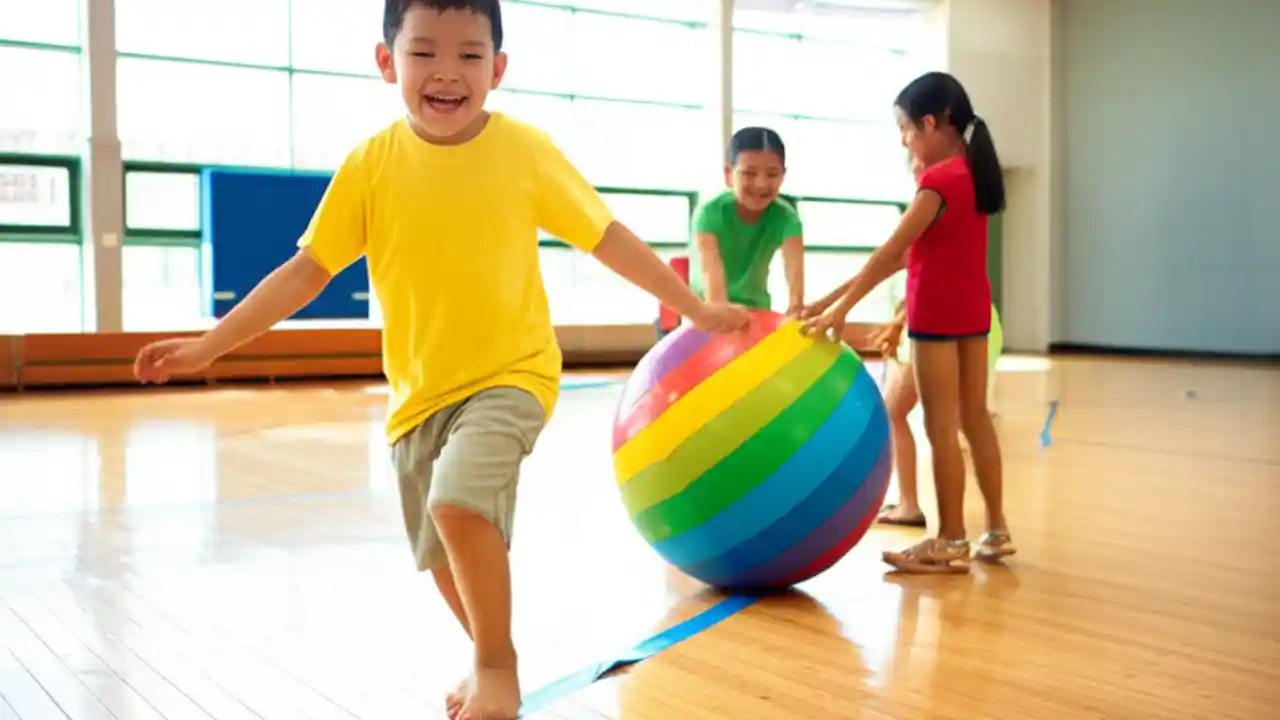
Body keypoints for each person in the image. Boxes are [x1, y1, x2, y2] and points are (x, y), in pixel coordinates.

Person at [132, 2, 749, 719]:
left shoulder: (525, 152)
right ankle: (494, 652)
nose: (447, 72)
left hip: (512, 375)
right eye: (424, 52)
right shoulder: (371, 164)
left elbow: (605, 236)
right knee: (439, 551)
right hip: (418, 397)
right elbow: (306, 271)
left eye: (469, 55)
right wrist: (210, 345)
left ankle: (496, 666)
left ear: (499, 69)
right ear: (387, 61)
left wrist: (696, 308)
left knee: (457, 501)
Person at [801, 71, 1014, 574]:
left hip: (937, 317)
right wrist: (832, 300)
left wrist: (841, 310)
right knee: (974, 419)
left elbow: (890, 251)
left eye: (905, 129)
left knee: (940, 428)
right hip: (972, 315)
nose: (904, 140)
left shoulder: (937, 182)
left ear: (930, 122)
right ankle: (997, 528)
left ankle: (951, 540)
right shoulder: (972, 172)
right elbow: (904, 258)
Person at [689, 126, 805, 316]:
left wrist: (795, 309)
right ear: (728, 174)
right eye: (749, 173)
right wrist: (721, 315)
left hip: (756, 313)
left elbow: (795, 281)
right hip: (703, 314)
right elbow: (715, 297)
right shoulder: (709, 213)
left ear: (783, 175)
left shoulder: (787, 218)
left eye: (772, 174)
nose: (761, 184)